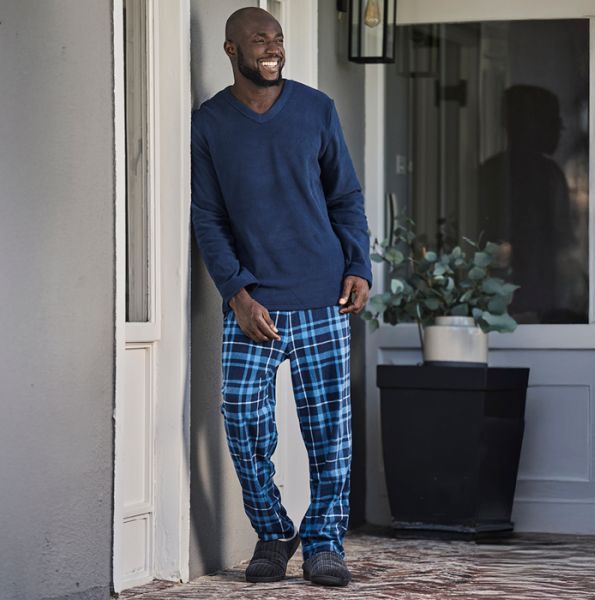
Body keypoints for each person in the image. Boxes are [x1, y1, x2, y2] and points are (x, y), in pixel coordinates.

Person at [191, 6, 372, 588]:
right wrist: (237, 293)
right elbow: (208, 217)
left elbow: (345, 196)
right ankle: (273, 531)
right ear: (231, 49)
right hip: (254, 305)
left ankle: (324, 544)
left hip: (323, 296)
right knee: (243, 420)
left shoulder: (316, 109)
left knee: (329, 435)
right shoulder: (210, 123)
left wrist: (359, 266)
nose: (272, 48)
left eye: (277, 38)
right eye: (258, 40)